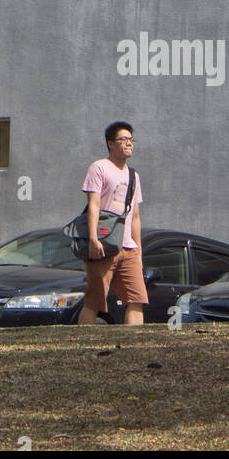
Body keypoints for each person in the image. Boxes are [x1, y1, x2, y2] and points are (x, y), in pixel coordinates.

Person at [76, 120, 147, 326]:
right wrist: (92, 239)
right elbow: (94, 206)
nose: (129, 144)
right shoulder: (99, 168)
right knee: (94, 302)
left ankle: (134, 346)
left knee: (136, 300)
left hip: (128, 249)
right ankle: (81, 346)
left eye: (131, 140)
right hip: (104, 244)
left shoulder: (133, 175)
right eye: (123, 139)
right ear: (110, 143)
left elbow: (134, 216)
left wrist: (139, 250)